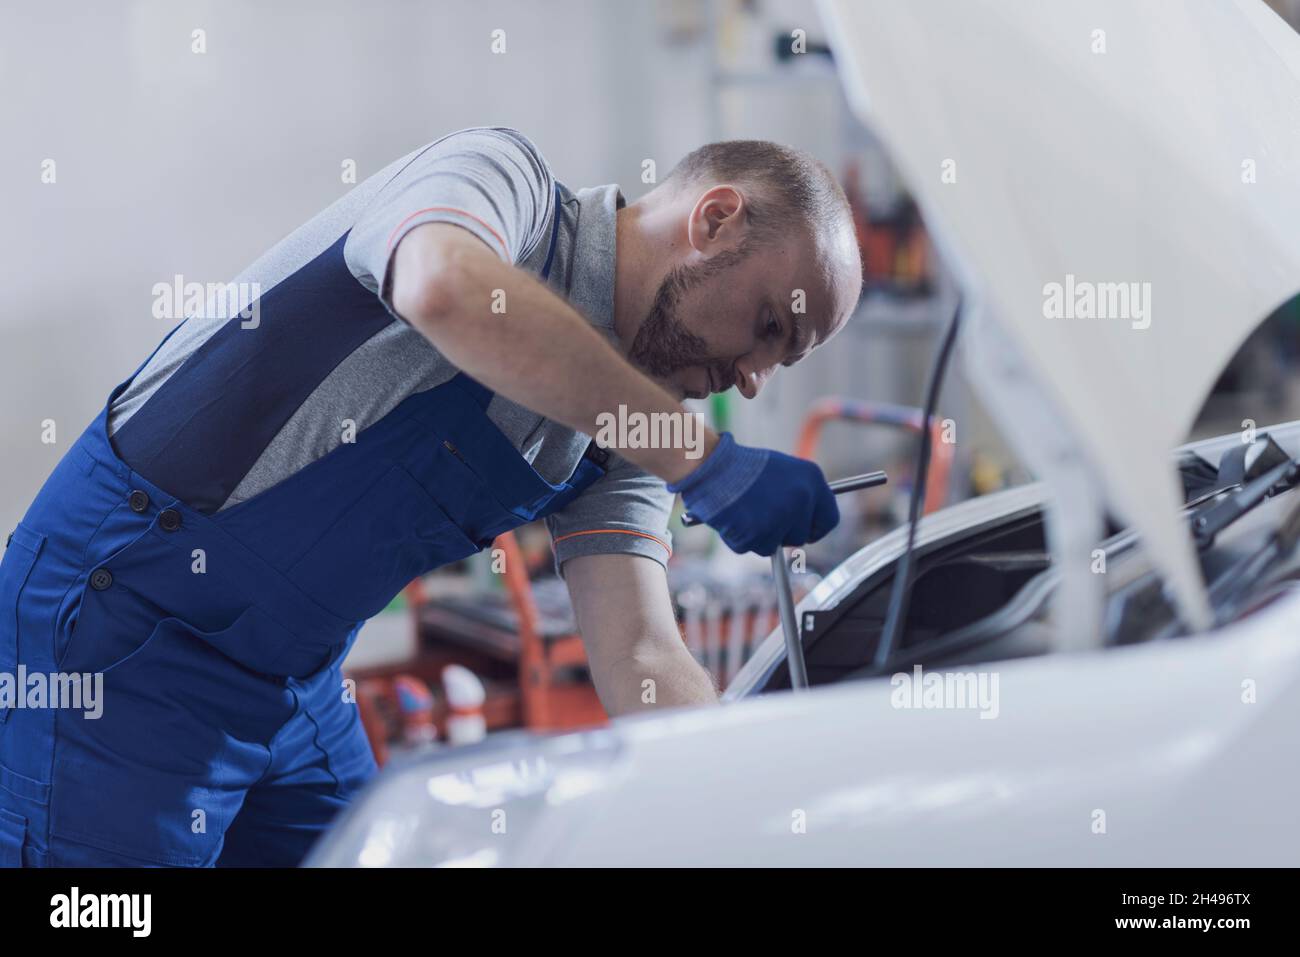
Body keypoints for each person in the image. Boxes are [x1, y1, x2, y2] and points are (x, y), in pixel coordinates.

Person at [0, 127, 862, 866]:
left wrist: (759, 806)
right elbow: (441, 287)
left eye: (782, 361)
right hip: (120, 630)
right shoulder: (505, 183)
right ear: (714, 221)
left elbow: (639, 653)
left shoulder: (630, 422)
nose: (752, 380)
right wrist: (701, 460)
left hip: (292, 677)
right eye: (768, 328)